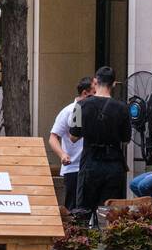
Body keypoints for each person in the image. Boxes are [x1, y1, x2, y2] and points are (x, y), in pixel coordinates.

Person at [69, 66, 131, 219]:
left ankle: (84, 241)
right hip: (114, 165)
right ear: (114, 84)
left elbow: (73, 136)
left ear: (95, 81)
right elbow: (126, 138)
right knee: (113, 214)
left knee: (83, 211)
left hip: (90, 163)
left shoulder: (80, 106)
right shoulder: (123, 108)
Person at [49, 77, 93, 210]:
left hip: (91, 165)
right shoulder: (70, 111)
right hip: (73, 166)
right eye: (95, 93)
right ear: (85, 93)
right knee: (72, 207)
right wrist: (62, 154)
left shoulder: (95, 110)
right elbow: (53, 137)